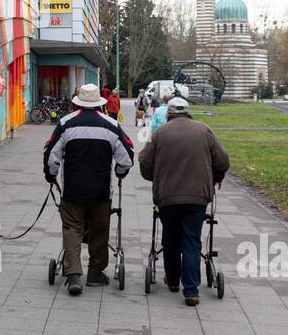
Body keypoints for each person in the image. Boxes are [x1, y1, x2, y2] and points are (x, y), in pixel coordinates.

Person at [43, 83, 134, 296]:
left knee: (72, 229)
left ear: (77, 103)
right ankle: (95, 273)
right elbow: (127, 157)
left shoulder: (65, 124)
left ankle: (73, 274)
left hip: (73, 190)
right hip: (101, 191)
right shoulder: (111, 125)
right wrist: (120, 173)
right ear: (99, 103)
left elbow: (51, 155)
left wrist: (51, 175)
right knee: (99, 230)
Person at [138, 95, 229, 306]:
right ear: (189, 112)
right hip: (197, 197)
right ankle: (191, 290)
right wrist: (215, 179)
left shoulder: (160, 132)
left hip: (167, 196)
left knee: (170, 238)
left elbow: (144, 161)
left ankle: (172, 280)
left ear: (169, 113)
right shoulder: (204, 130)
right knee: (192, 239)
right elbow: (223, 160)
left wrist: (154, 177)